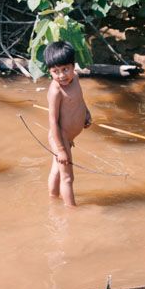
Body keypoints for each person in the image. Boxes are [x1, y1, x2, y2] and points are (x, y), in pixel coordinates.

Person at [44, 40, 91, 207]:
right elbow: (53, 121)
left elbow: (79, 99)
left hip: (68, 138)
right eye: (55, 71)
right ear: (50, 72)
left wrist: (86, 113)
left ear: (73, 66)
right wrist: (61, 149)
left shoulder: (76, 79)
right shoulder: (56, 91)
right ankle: (71, 211)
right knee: (68, 177)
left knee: (57, 170)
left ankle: (53, 198)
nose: (62, 75)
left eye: (65, 69)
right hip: (61, 137)